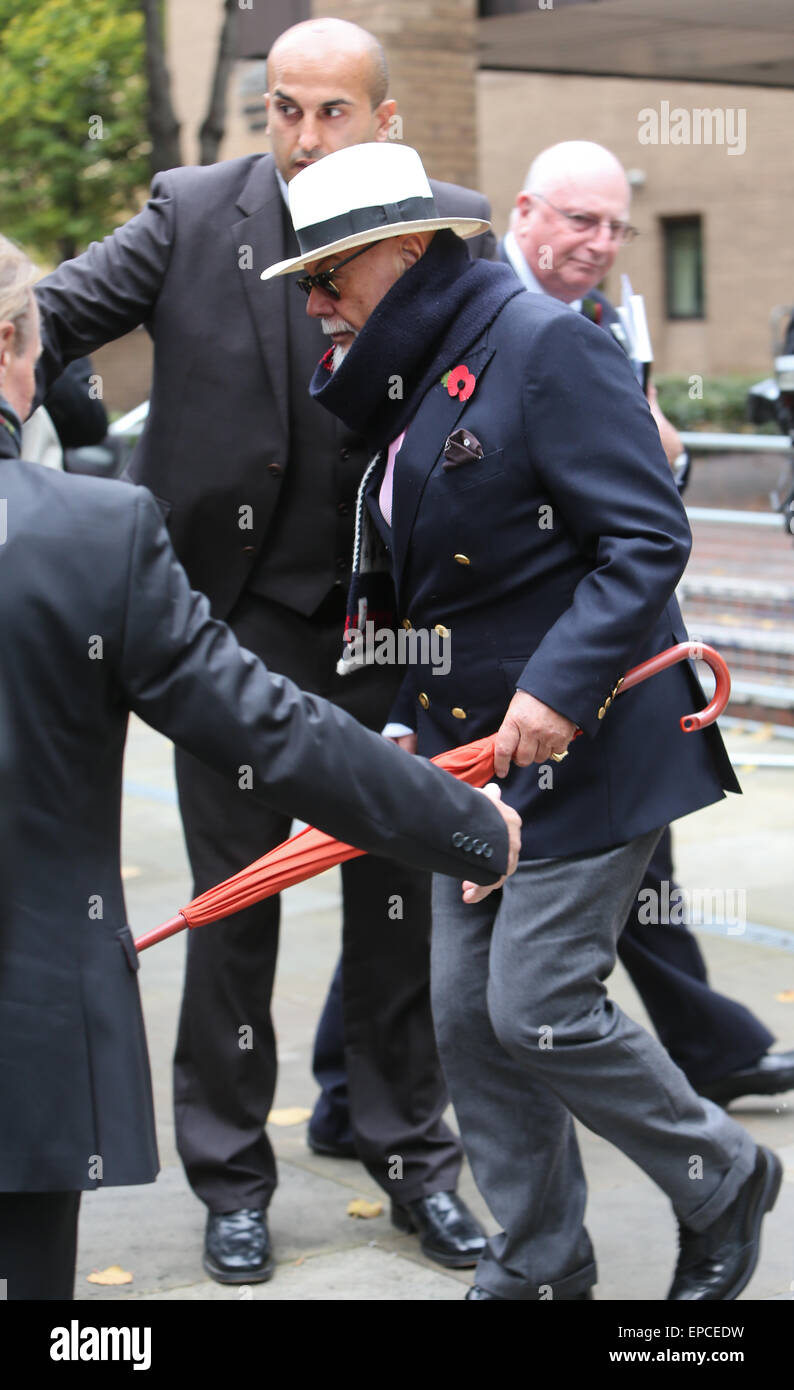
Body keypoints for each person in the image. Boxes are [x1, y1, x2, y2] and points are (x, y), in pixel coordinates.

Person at [263, 140, 782, 1301]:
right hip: (471, 760)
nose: (313, 301)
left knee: (535, 1005)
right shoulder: (419, 363)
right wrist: (404, 716)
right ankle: (541, 1260)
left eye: (327, 273)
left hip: (591, 748)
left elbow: (644, 539)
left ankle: (721, 1173)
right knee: (466, 1017)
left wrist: (553, 688)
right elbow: (446, 584)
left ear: (401, 253)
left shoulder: (544, 343)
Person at [33, 17, 496, 1282]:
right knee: (236, 918)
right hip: (229, 630)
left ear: (385, 121)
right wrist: (48, 424)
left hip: (398, 634)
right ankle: (232, 1181)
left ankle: (415, 1159)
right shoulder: (192, 212)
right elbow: (48, 312)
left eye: (330, 112)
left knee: (402, 904)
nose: (301, 137)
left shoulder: (448, 225)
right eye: (283, 110)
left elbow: (505, 385)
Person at [499, 140, 794, 1106]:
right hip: (513, 663)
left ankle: (710, 1046)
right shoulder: (484, 318)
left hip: (614, 649)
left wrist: (662, 452)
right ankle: (359, 1088)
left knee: (635, 853)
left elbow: (647, 490)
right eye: (582, 221)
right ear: (526, 211)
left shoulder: (598, 317)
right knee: (461, 896)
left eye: (619, 228)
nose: (602, 243)